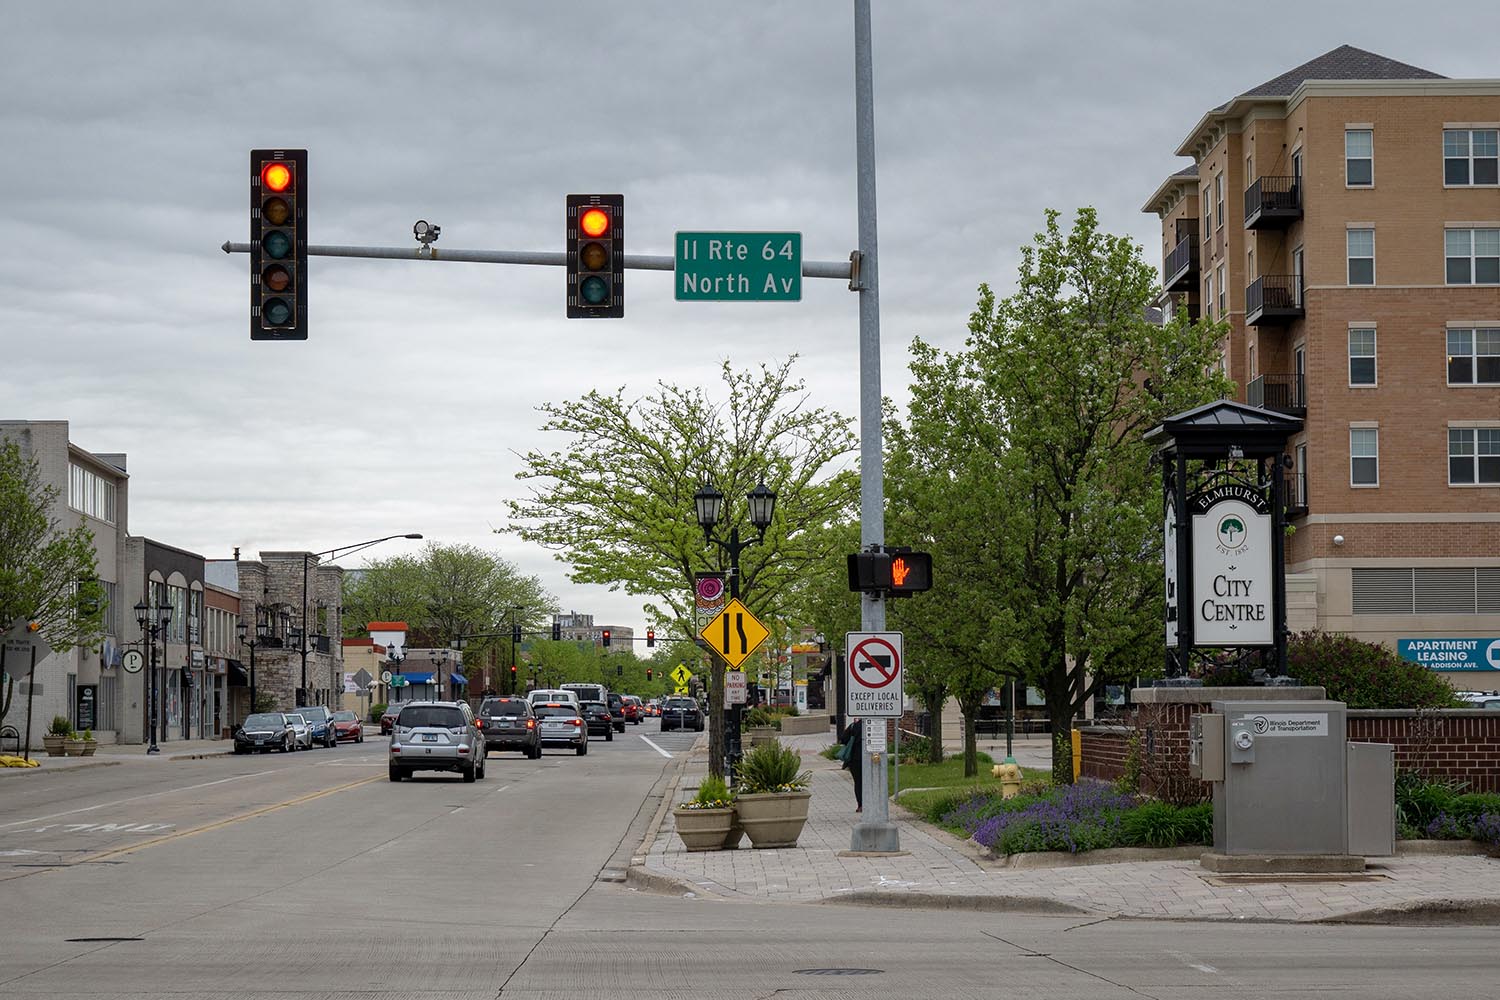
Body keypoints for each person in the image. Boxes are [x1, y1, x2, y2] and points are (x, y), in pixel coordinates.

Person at [839, 721, 863, 812]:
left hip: (855, 759)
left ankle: (861, 805)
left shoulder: (854, 726)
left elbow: (843, 739)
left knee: (858, 782)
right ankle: (871, 803)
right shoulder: (874, 725)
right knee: (870, 782)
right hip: (871, 759)